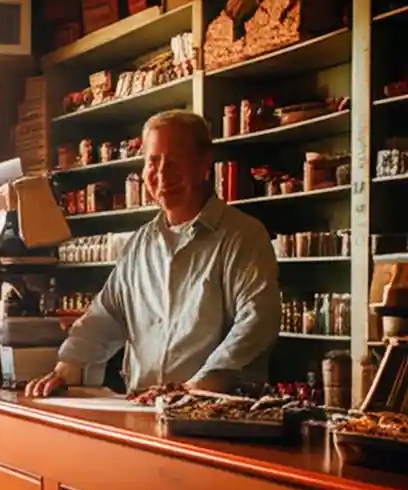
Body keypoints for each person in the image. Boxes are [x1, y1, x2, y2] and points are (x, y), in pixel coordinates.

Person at [25, 110, 280, 397]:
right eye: (153, 162)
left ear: (204, 164)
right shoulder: (140, 244)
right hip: (144, 405)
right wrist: (65, 368)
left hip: (216, 411)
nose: (162, 175)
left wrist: (196, 388)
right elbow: (107, 315)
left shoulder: (243, 236)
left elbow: (257, 322)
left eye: (174, 162)